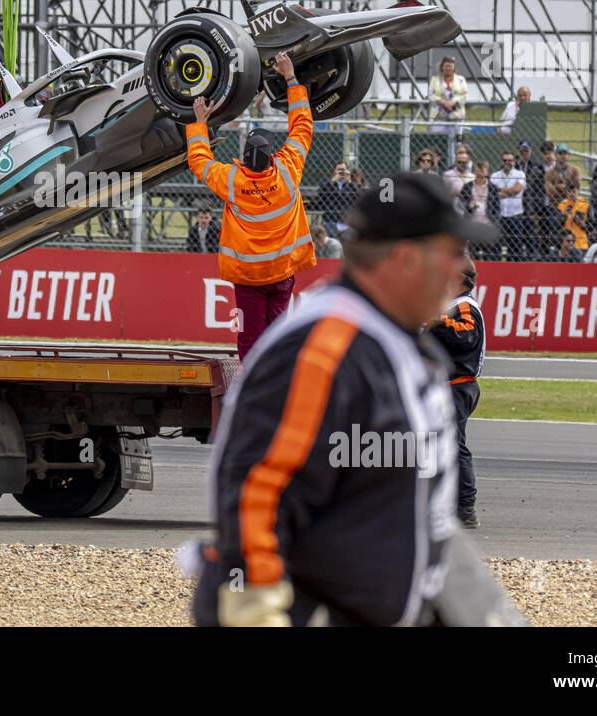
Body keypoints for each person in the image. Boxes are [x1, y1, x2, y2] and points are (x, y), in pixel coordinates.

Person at [193, 173, 515, 627]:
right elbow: (256, 492)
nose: (458, 272)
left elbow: (421, 511)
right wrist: (256, 609)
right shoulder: (323, 347)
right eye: (450, 256)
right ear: (405, 259)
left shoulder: (401, 344)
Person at [185, 52, 315, 359]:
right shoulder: (287, 170)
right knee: (277, 334)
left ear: (244, 159)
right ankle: (276, 380)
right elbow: (302, 128)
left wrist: (199, 123)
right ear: (272, 156)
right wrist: (291, 79)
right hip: (282, 273)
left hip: (248, 279)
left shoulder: (232, 181)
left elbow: (199, 160)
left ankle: (252, 385)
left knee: (250, 338)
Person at [425, 255, 485, 528]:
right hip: (448, 386)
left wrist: (436, 320)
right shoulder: (451, 305)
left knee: (453, 446)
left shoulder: (464, 306)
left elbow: (465, 336)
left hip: (458, 387)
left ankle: (465, 508)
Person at [490, 150, 527, 260]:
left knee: (515, 246)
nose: (508, 162)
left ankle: (515, 271)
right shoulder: (494, 176)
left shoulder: (520, 174)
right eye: (505, 160)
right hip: (499, 215)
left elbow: (516, 190)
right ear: (501, 161)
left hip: (515, 215)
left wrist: (500, 191)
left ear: (514, 161)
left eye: (510, 160)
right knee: (496, 245)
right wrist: (509, 192)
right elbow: (492, 194)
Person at [459, 160, 499, 259]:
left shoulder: (493, 188)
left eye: (482, 169)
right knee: (472, 256)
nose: (480, 172)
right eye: (477, 169)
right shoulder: (467, 186)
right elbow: (461, 202)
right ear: (474, 171)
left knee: (490, 255)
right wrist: (469, 205)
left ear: (487, 172)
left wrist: (494, 222)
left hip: (488, 225)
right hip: (472, 225)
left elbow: (497, 208)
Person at [316, 161, 361, 238]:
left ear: (347, 171)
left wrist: (349, 182)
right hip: (330, 221)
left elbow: (358, 197)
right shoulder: (328, 183)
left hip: (346, 222)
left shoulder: (351, 185)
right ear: (334, 171)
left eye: (343, 169)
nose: (341, 172)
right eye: (339, 169)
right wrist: (333, 180)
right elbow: (320, 193)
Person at [429, 56, 465, 134]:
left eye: (450, 66)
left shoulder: (461, 80)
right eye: (446, 66)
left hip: (456, 116)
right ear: (442, 67)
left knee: (456, 140)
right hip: (438, 117)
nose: (448, 68)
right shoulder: (434, 79)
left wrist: (453, 103)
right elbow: (431, 95)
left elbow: (464, 95)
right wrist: (444, 103)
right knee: (437, 140)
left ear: (454, 67)